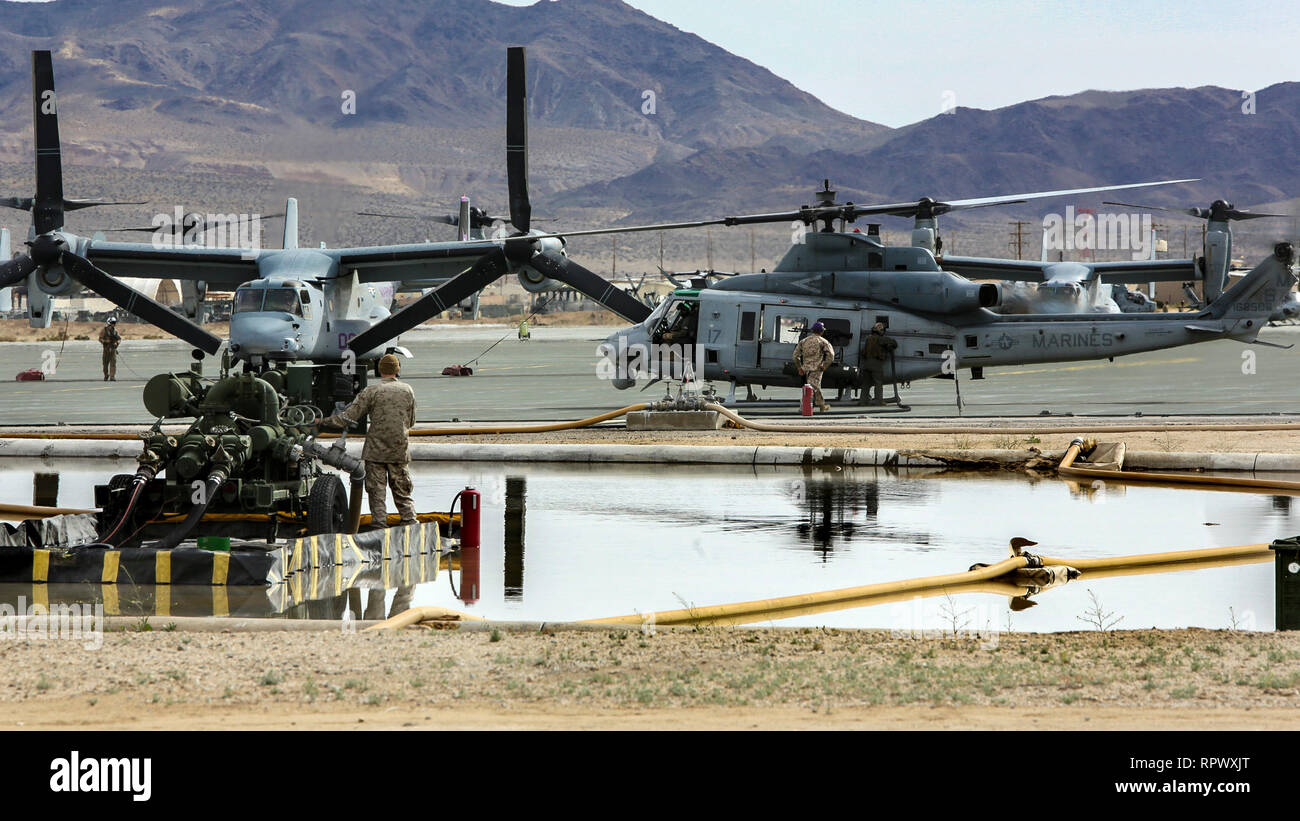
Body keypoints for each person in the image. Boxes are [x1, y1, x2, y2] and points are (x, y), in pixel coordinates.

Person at [322, 353, 417, 528]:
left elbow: (348, 418)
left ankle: (379, 529)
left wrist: (322, 421)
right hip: (399, 450)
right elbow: (411, 422)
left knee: (376, 493)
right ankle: (411, 525)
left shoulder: (371, 391)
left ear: (380, 370)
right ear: (398, 370)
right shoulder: (407, 390)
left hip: (375, 451)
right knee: (403, 492)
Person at [793, 321, 835, 412]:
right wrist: (825, 365)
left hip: (805, 369)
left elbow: (795, 355)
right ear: (822, 331)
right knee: (813, 387)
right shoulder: (823, 342)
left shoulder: (804, 341)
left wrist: (799, 367)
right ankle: (805, 407)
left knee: (812, 387)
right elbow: (831, 355)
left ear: (812, 330)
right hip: (817, 368)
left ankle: (821, 406)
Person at [861, 322, 898, 405]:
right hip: (876, 363)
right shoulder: (881, 339)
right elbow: (894, 343)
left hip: (866, 363)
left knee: (866, 384)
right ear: (880, 331)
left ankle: (862, 401)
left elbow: (863, 352)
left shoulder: (868, 339)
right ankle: (878, 401)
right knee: (878, 382)